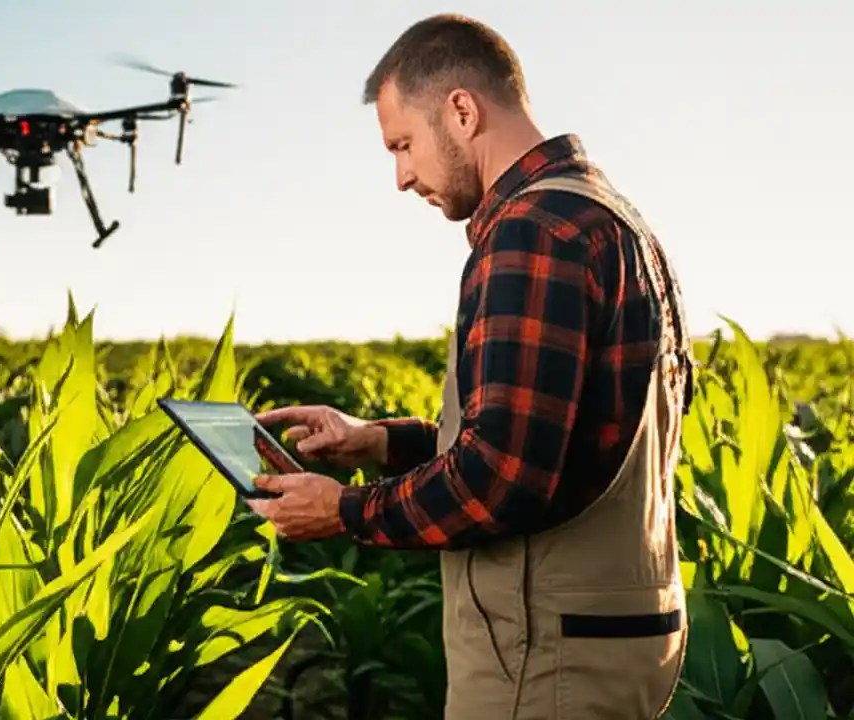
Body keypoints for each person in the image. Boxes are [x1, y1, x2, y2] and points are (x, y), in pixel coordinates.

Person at [246, 12, 695, 719]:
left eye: (403, 144)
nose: (400, 177)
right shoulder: (613, 220)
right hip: (617, 639)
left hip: (543, 658)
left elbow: (503, 478)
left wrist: (343, 510)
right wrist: (379, 441)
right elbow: (550, 445)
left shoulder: (533, 231)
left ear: (461, 110)